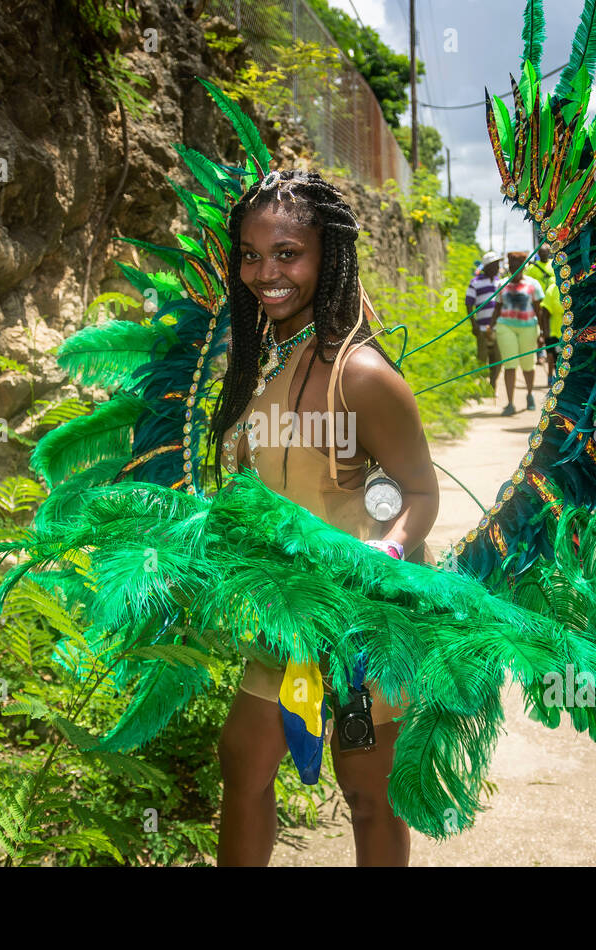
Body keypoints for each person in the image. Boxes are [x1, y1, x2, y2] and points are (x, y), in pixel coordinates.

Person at [211, 169, 441, 866]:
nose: (265, 273)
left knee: (367, 793)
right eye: (251, 255)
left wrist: (389, 554)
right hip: (284, 616)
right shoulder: (257, 365)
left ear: (328, 257)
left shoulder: (361, 376)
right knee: (243, 765)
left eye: (288, 254)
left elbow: (420, 493)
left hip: (362, 623)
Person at [494, 250, 545, 415]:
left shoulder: (533, 284)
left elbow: (539, 310)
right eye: (511, 265)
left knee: (528, 365)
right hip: (505, 326)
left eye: (518, 265)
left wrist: (542, 332)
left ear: (523, 267)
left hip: (528, 327)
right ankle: (510, 403)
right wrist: (490, 326)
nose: (514, 268)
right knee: (510, 364)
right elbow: (497, 307)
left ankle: (529, 394)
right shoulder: (502, 284)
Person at [465, 250, 504, 393]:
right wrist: (473, 324)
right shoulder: (475, 283)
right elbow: (469, 304)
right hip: (482, 328)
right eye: (494, 265)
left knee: (498, 359)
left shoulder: (499, 281)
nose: (497, 267)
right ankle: (481, 387)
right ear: (487, 266)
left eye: (498, 264)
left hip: (498, 327)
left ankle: (492, 384)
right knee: (482, 359)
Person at [527, 243, 563, 383]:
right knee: (539, 332)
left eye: (546, 252)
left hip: (552, 302)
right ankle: (539, 353)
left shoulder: (553, 266)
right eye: (541, 252)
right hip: (536, 302)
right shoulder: (531, 269)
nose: (543, 255)